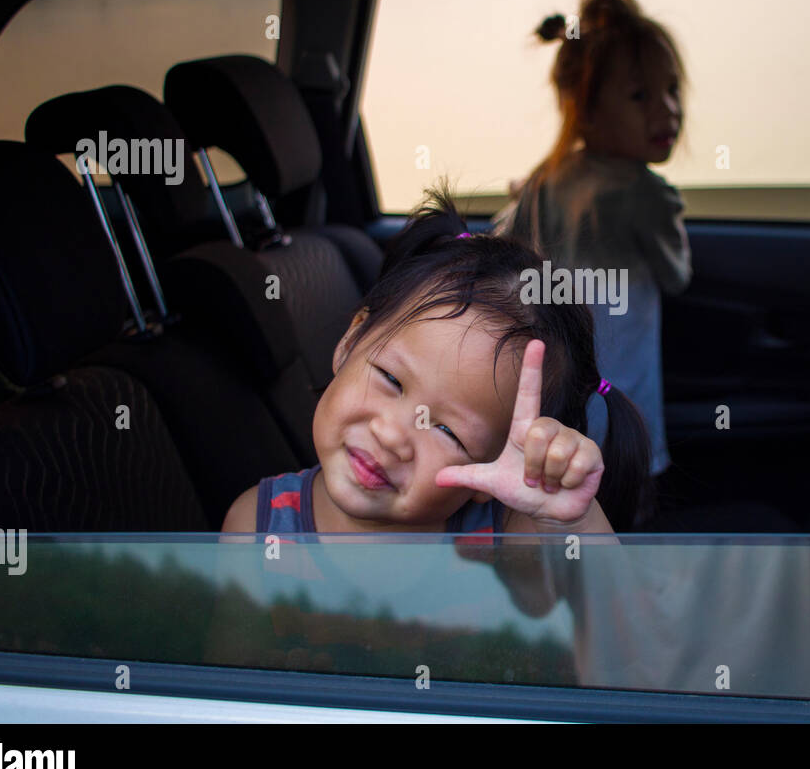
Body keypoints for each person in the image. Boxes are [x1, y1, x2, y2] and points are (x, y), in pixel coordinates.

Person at [221, 187, 651, 537]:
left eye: (448, 432)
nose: (392, 436)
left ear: (496, 464)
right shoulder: (257, 530)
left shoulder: (504, 543)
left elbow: (618, 631)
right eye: (390, 379)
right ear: (351, 340)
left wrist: (574, 523)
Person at [499, 0, 691, 501]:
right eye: (640, 95)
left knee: (561, 496)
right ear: (585, 110)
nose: (667, 110)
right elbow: (677, 275)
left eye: (671, 90)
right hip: (624, 393)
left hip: (555, 394)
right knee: (627, 494)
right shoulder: (646, 193)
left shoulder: (545, 179)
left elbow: (503, 246)